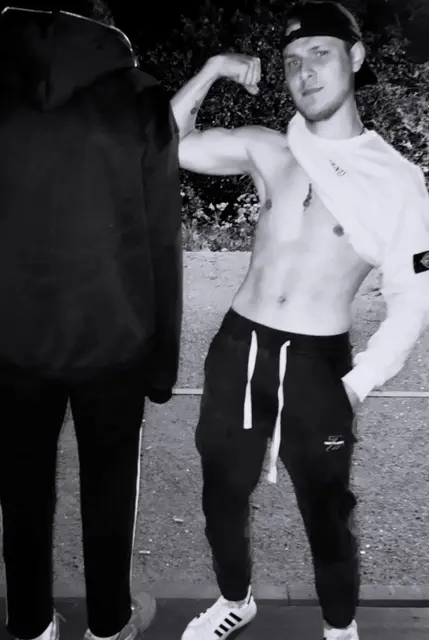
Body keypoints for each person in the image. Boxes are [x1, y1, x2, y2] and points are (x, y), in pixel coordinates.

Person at [170, 1, 429, 639]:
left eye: (320, 53)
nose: (305, 72)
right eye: (292, 61)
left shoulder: (394, 180)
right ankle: (235, 599)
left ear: (356, 57)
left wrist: (360, 381)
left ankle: (339, 628)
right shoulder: (272, 149)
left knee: (326, 508)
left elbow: (415, 297)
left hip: (319, 363)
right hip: (239, 345)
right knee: (220, 493)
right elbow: (169, 144)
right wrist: (212, 69)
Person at [0, 2, 182, 640]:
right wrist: (162, 362)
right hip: (114, 339)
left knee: (21, 491)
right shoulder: (139, 97)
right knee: (109, 486)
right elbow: (162, 235)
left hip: (14, 344)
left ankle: (30, 625)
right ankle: (108, 624)